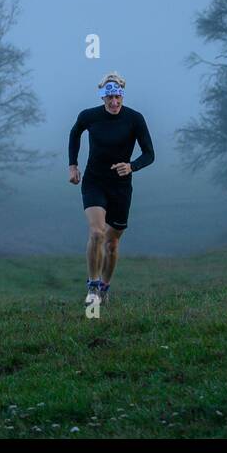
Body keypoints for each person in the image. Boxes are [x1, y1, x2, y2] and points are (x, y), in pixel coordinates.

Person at [67, 72, 155, 305]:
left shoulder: (134, 119)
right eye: (110, 99)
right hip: (95, 181)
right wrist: (73, 165)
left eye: (118, 98)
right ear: (102, 98)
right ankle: (92, 287)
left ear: (123, 96)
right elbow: (74, 133)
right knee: (97, 233)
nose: (114, 103)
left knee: (112, 244)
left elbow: (150, 154)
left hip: (121, 186)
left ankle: (105, 288)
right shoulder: (89, 116)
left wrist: (131, 166)